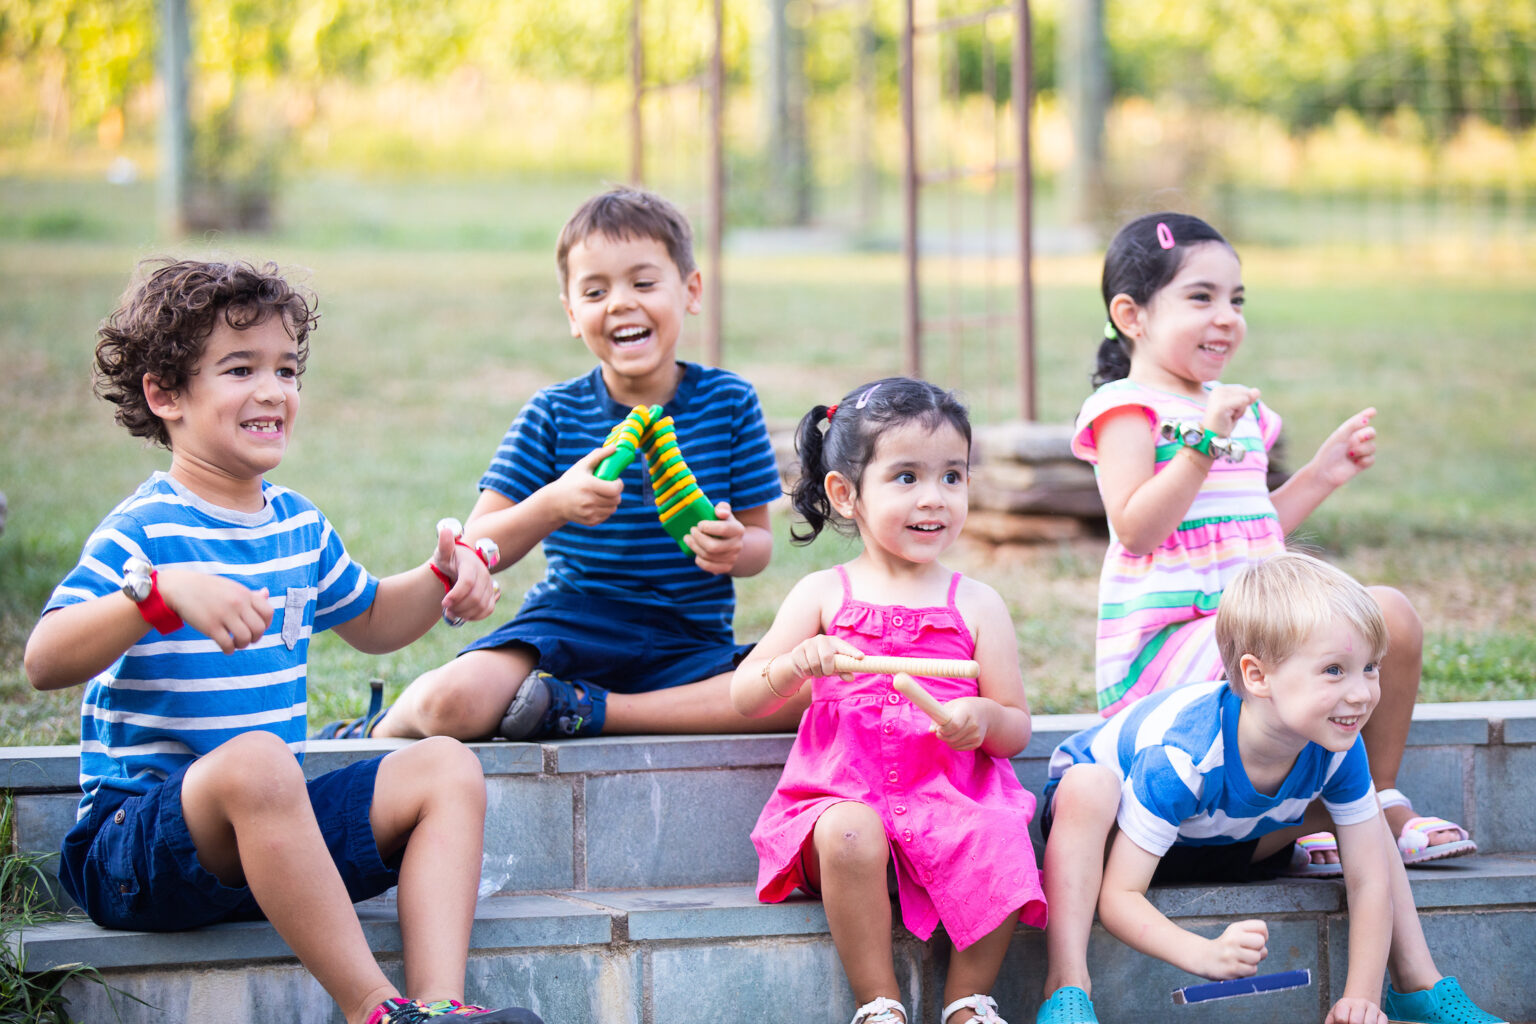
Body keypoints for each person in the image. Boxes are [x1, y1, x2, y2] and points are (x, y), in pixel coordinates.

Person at [23, 259, 540, 1024]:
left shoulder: (297, 525)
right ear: (165, 395)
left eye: (286, 369)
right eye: (240, 369)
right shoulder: (144, 530)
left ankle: (438, 1010)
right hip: (135, 851)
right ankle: (376, 1011)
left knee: (445, 770)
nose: (273, 390)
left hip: (271, 837)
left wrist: (440, 577)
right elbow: (43, 659)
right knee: (261, 761)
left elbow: (373, 620)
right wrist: (155, 595)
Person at [1071, 211, 1475, 873]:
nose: (1226, 315)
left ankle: (1372, 798)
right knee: (1295, 656)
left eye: (1237, 299)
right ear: (1131, 314)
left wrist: (1321, 473)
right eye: (1201, 297)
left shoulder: (1242, 411)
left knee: (1390, 616)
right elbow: (1138, 528)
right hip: (1173, 652)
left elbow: (1255, 528)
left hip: (1254, 623)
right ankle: (1308, 814)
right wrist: (1202, 442)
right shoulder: (1127, 407)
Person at [327, 186, 790, 744]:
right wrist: (553, 504)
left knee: (802, 696)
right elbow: (479, 542)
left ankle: (590, 710)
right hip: (568, 627)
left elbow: (760, 543)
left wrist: (733, 547)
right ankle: (373, 732)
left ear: (690, 290)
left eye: (643, 283)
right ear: (573, 313)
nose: (620, 302)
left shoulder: (730, 400)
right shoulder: (553, 412)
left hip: (687, 640)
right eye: (596, 291)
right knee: (452, 702)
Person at [1036, 553, 1505, 1024]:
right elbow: (1120, 896)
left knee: (1367, 820)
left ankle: (1418, 985)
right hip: (1113, 838)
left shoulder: (1338, 744)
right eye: (1335, 671)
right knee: (1088, 786)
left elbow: (1368, 879)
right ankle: (1067, 991)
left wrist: (1360, 1000)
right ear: (1258, 676)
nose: (1362, 693)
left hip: (1218, 837)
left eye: (1370, 667)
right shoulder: (1185, 755)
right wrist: (1203, 954)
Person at [733, 378, 1047, 1024]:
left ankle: (969, 998)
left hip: (950, 797)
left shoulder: (977, 604)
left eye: (951, 477)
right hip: (842, 794)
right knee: (850, 832)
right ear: (846, 495)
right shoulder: (825, 595)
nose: (934, 498)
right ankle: (878, 1002)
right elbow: (744, 695)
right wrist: (794, 665)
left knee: (1002, 832)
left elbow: (1015, 725)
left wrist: (981, 720)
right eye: (906, 478)